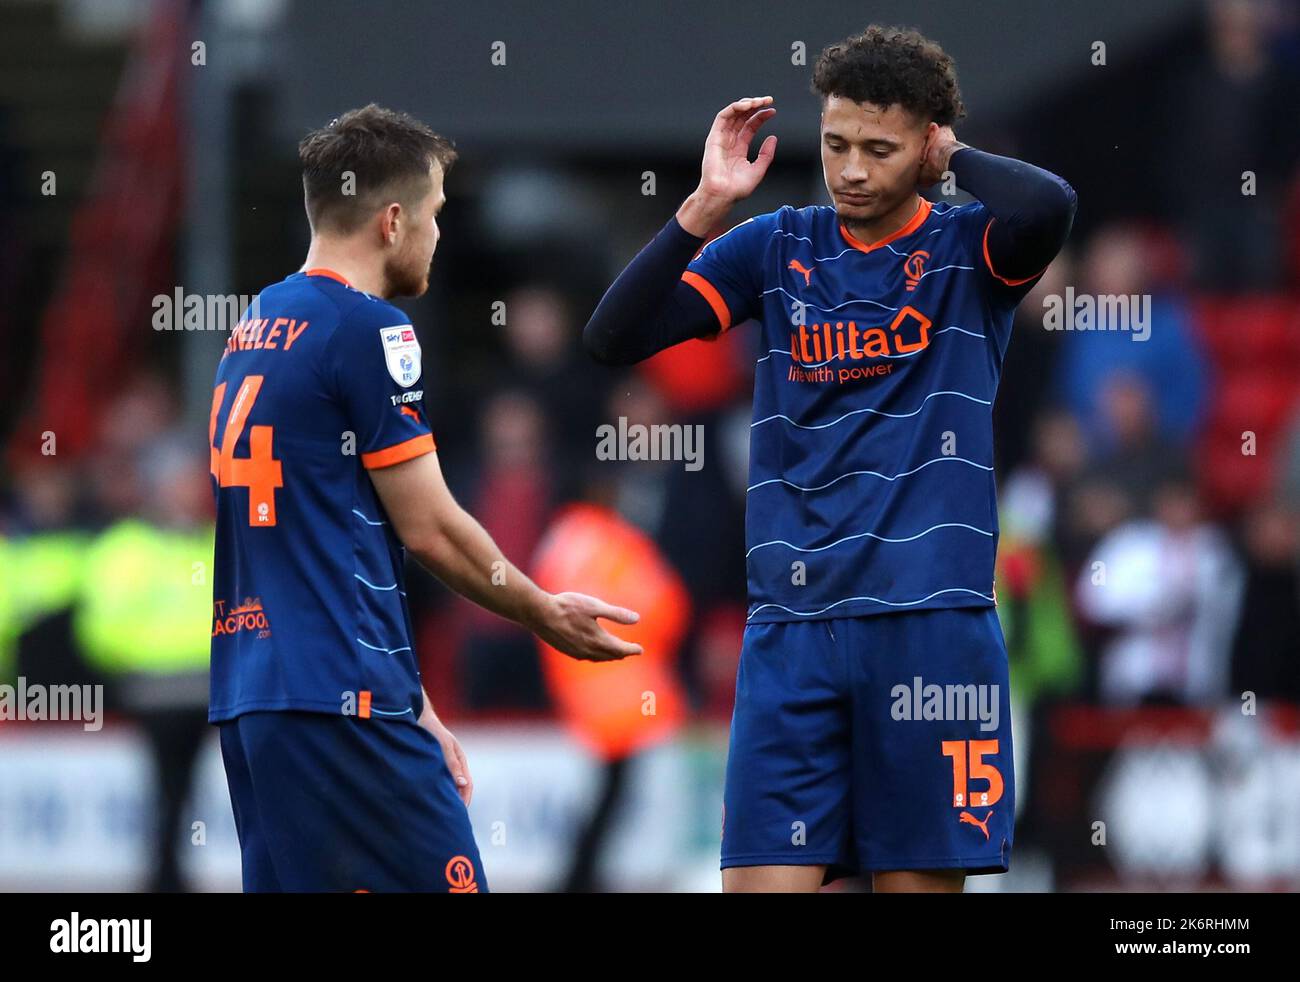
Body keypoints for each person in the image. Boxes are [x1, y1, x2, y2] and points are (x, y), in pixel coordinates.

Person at [583, 26, 1077, 892]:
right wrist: (701, 210)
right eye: (836, 143)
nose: (851, 168)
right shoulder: (775, 247)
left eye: (880, 149)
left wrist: (954, 159)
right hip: (793, 631)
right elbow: (612, 337)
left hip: (932, 633)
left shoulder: (971, 252)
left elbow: (1048, 207)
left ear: (927, 145)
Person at [208, 104, 640, 893]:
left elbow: (331, 542)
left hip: (256, 699)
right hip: (344, 704)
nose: (440, 235)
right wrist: (543, 610)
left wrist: (414, 702)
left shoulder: (253, 324)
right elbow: (430, 528)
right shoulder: (373, 331)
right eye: (436, 214)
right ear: (394, 219)